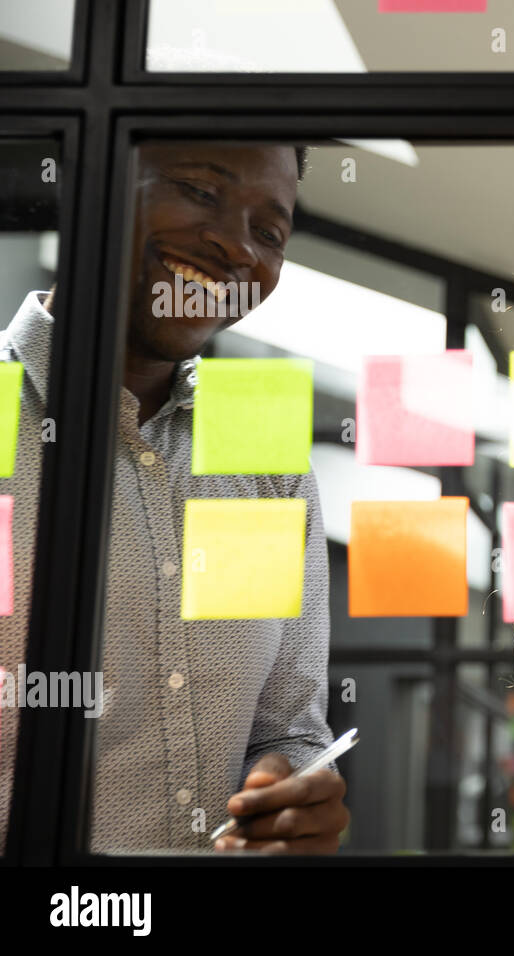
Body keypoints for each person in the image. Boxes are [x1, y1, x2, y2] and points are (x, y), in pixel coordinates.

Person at [0, 142, 348, 854]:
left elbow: (288, 729)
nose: (234, 244)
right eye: (197, 190)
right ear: (93, 183)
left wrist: (287, 789)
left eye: (270, 232)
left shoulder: (264, 450)